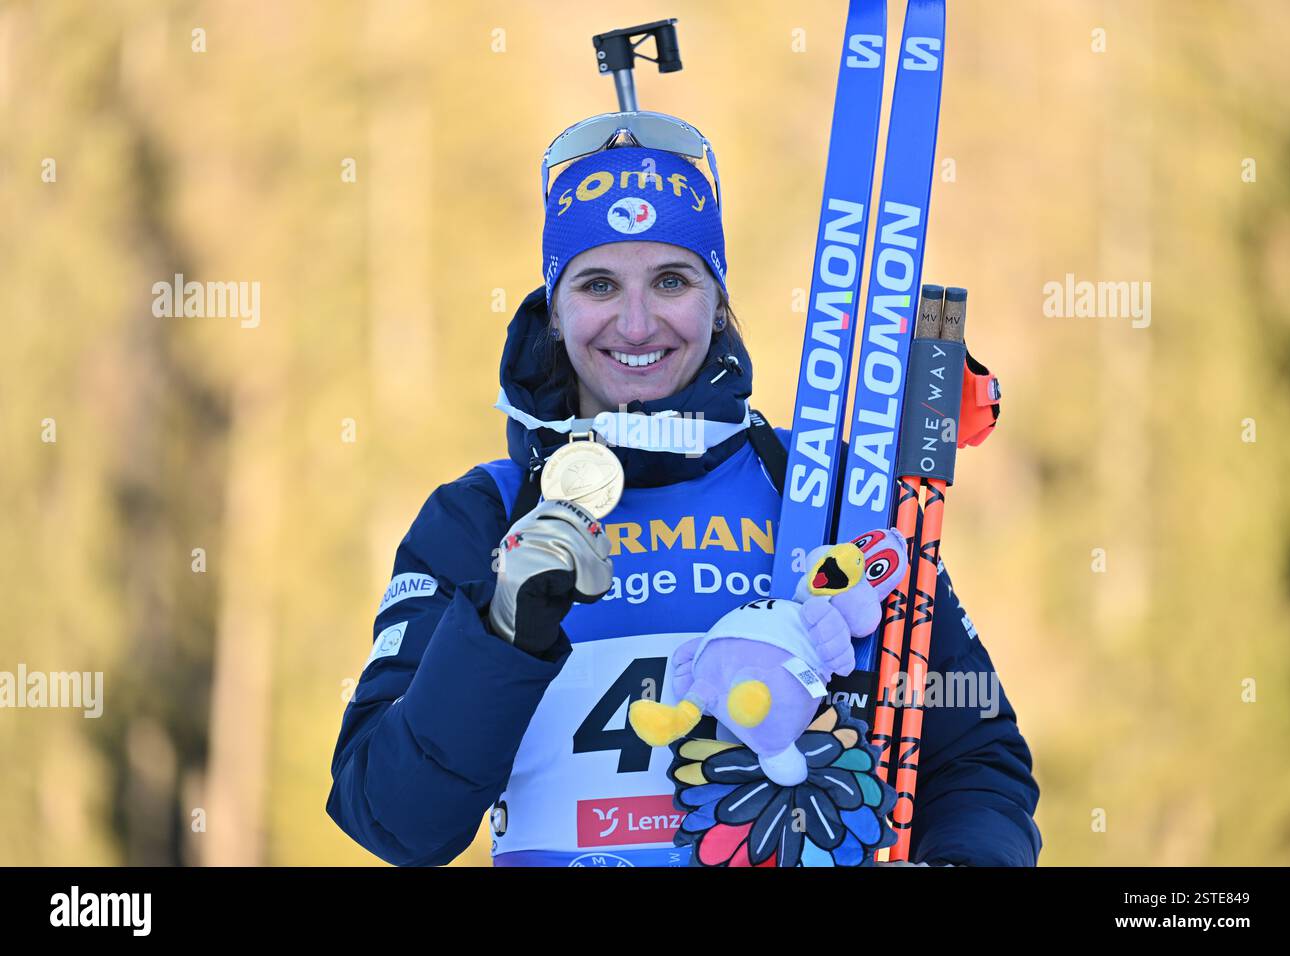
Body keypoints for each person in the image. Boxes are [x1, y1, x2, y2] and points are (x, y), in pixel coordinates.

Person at [325, 126, 1042, 867]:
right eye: (598, 284)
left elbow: (975, 758)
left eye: (672, 281)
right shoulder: (481, 514)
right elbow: (396, 821)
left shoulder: (828, 489)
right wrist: (500, 632)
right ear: (554, 306)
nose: (637, 324)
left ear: (718, 300)